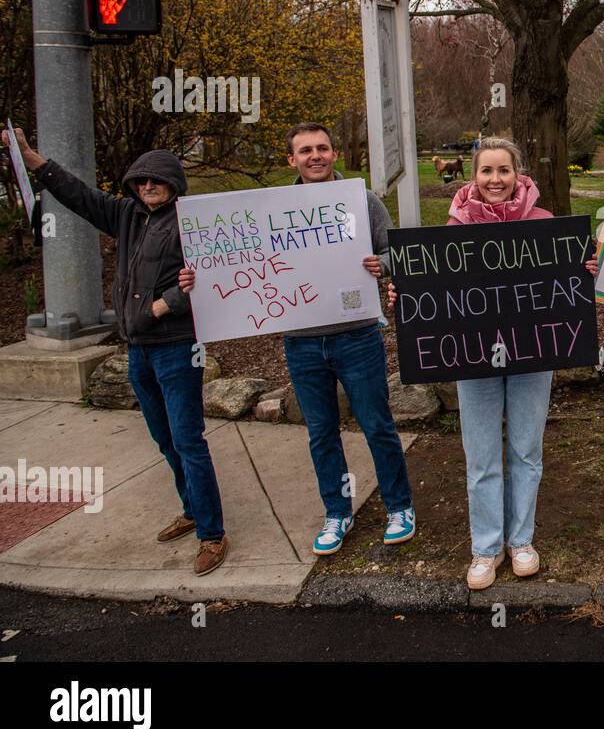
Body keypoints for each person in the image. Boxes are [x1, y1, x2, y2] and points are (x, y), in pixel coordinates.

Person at [4, 128, 229, 575]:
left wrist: (166, 304)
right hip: (138, 351)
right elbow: (79, 195)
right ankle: (192, 509)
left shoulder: (193, 222)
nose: (148, 187)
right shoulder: (126, 216)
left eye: (157, 180)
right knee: (165, 439)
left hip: (176, 348)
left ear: (174, 184)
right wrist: (32, 159)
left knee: (188, 440)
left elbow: (217, 272)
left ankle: (212, 533)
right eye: (141, 181)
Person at [182, 123, 415, 556]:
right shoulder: (271, 210)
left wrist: (379, 264)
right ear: (292, 160)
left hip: (357, 336)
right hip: (302, 342)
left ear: (334, 153)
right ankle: (337, 511)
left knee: (377, 425)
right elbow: (235, 260)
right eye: (305, 150)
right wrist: (199, 278)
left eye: (323, 148)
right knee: (321, 432)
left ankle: (399, 506)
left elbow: (396, 253)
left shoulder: (362, 202)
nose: (315, 156)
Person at [388, 138, 554, 590]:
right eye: (486, 172)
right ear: (473, 177)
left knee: (526, 451)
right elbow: (435, 290)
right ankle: (485, 548)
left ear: (518, 175)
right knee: (481, 457)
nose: (495, 180)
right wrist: (407, 295)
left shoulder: (544, 224)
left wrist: (584, 271)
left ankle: (521, 541)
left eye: (504, 171)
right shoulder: (452, 227)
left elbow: (562, 282)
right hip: (473, 355)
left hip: (531, 354)